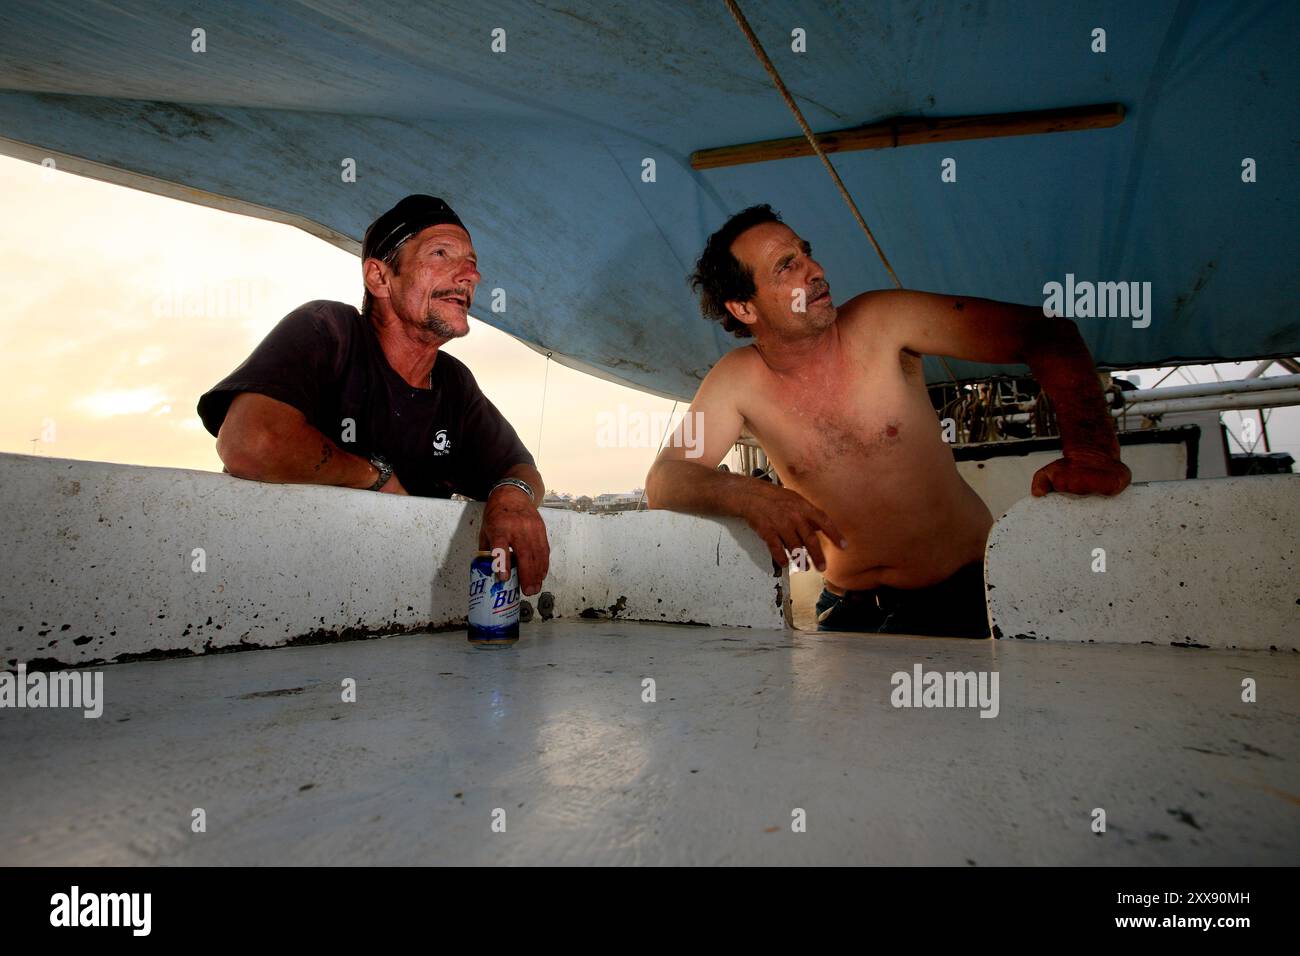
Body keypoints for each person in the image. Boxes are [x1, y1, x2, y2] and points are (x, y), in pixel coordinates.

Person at [644, 205, 1130, 635]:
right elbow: (664, 480)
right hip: (845, 613)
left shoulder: (884, 321)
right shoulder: (738, 380)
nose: (815, 270)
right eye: (786, 266)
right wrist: (750, 495)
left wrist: (1092, 453)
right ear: (744, 307)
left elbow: (1044, 333)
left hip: (967, 596)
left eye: (806, 253)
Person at [197, 195, 549, 594]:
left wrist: (511, 499)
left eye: (472, 262)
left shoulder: (454, 384)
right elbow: (252, 443)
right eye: (440, 253)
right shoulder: (329, 331)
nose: (471, 275)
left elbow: (520, 468)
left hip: (391, 614)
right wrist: (374, 476)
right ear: (380, 278)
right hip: (266, 596)